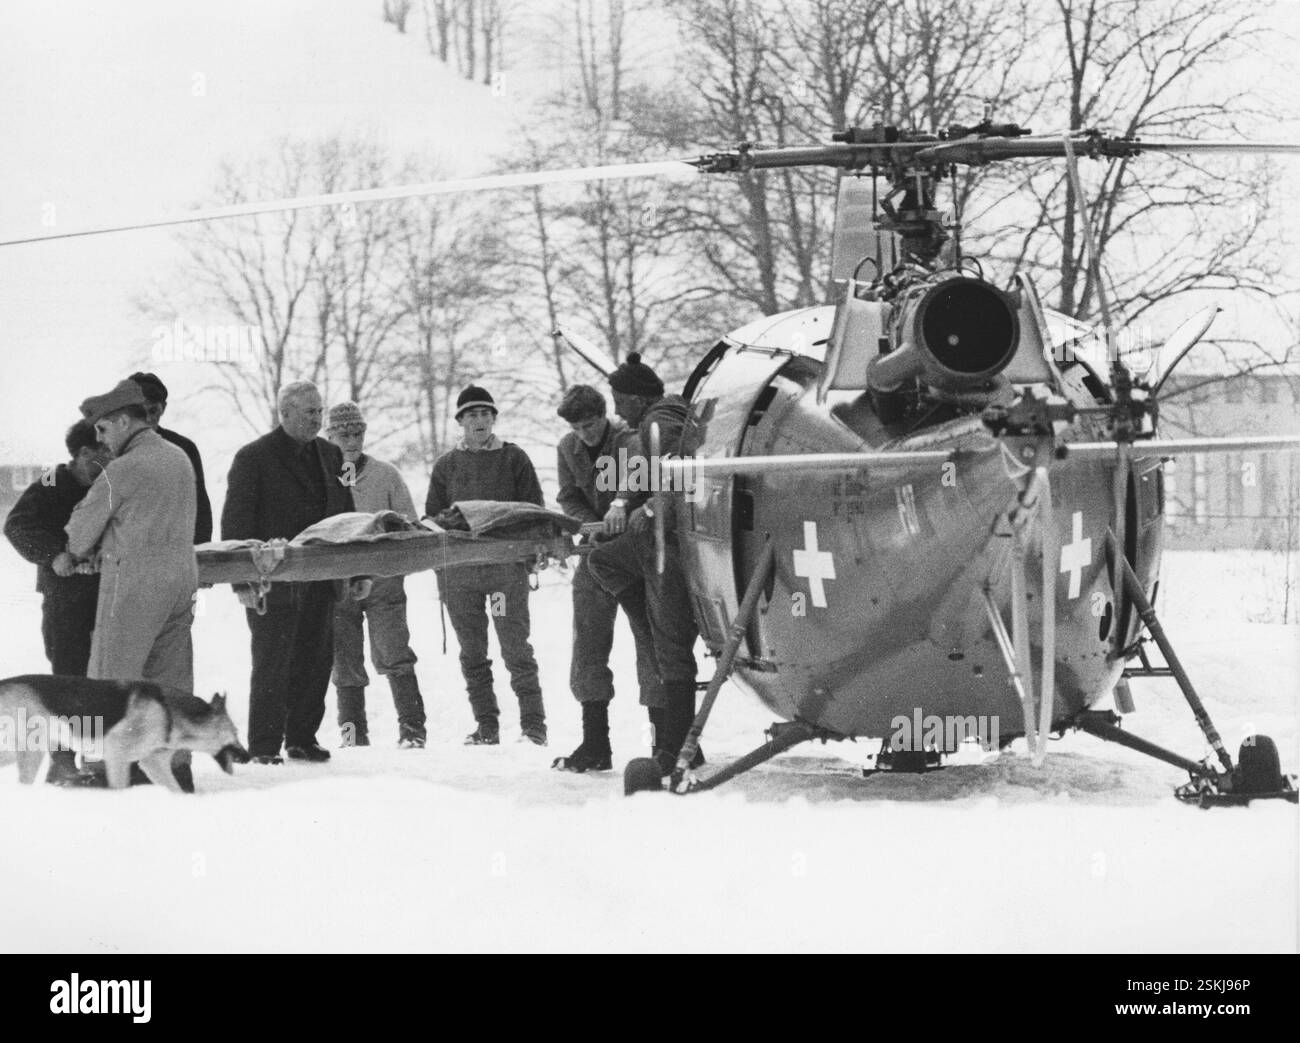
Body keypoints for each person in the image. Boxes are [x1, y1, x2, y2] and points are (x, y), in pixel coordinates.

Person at [221, 381, 353, 764]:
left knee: (316, 662)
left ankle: (302, 738)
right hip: (270, 582)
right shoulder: (253, 458)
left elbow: (348, 516)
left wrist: (357, 571)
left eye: (319, 411)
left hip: (321, 580)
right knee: (273, 662)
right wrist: (240, 580)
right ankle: (264, 746)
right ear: (285, 414)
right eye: (309, 412)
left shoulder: (332, 456)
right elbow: (235, 525)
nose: (317, 418)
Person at [586, 353, 702, 774]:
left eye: (618, 400)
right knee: (604, 560)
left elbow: (682, 474)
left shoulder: (660, 423)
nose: (616, 410)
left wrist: (651, 509)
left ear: (635, 399)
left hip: (667, 545)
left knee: (671, 647)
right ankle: (647, 619)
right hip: (653, 541)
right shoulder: (656, 421)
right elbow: (644, 476)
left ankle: (675, 748)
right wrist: (622, 506)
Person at [550, 385, 664, 773]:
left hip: (635, 553)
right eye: (578, 427)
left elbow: (635, 476)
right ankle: (595, 743)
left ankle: (667, 739)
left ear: (604, 416)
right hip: (597, 550)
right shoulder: (568, 447)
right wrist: (587, 525)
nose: (586, 433)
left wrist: (620, 504)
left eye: (591, 424)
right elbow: (568, 495)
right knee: (588, 642)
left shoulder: (628, 439)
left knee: (650, 639)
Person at [425, 385, 547, 746]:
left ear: (494, 419)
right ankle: (486, 725)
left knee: (514, 647)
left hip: (504, 571)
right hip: (460, 574)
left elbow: (534, 509)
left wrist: (531, 547)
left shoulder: (514, 458)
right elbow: (433, 517)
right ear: (460, 422)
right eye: (471, 415)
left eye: (485, 414)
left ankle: (533, 726)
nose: (479, 420)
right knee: (473, 651)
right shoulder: (447, 465)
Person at [67, 380, 199, 700]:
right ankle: (173, 752)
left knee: (109, 685)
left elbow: (79, 537)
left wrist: (87, 546)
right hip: (181, 583)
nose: (100, 438)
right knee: (170, 688)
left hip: (134, 587)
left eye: (102, 428)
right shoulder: (179, 457)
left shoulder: (122, 469)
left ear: (124, 422)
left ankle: (108, 752)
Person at [4, 421, 110, 783]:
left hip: (107, 593)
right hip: (65, 598)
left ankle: (102, 760)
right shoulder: (52, 480)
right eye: (103, 450)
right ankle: (62, 762)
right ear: (83, 454)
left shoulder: (111, 482)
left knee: (104, 680)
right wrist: (53, 555)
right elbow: (16, 525)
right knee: (68, 680)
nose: (111, 455)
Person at [325, 401, 428, 749]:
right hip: (338, 581)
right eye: (343, 435)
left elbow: (410, 522)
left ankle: (413, 731)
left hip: (383, 580)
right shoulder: (321, 476)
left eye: (357, 433)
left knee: (393, 650)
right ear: (329, 436)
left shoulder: (386, 475)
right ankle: (353, 736)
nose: (351, 441)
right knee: (345, 659)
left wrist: (397, 543)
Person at [127, 371, 213, 544]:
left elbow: (199, 506)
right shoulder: (110, 447)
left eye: (153, 411)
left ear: (163, 408)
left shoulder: (183, 448)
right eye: (141, 413)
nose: (149, 418)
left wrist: (198, 552)